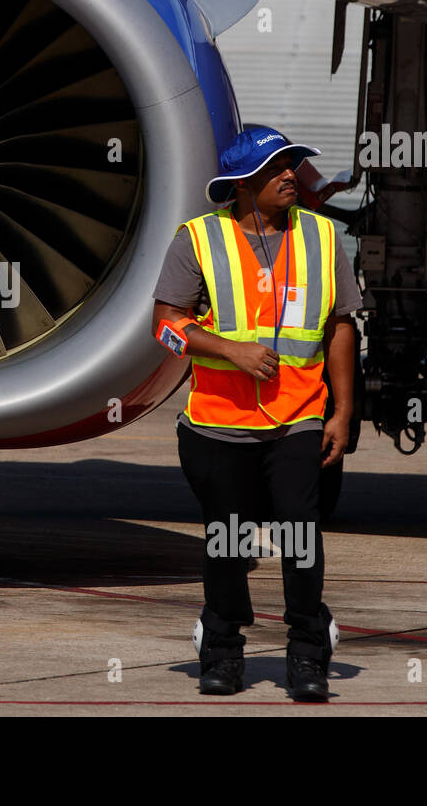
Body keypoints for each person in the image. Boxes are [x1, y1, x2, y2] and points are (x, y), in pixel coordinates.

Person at [151, 124, 361, 701]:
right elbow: (165, 328)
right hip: (217, 423)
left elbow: (341, 325)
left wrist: (343, 411)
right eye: (276, 168)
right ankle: (221, 647)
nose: (290, 174)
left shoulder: (321, 236)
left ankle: (308, 649)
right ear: (243, 183)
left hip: (298, 418)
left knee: (300, 531)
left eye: (293, 164)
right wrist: (230, 351)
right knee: (227, 540)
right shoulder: (198, 239)